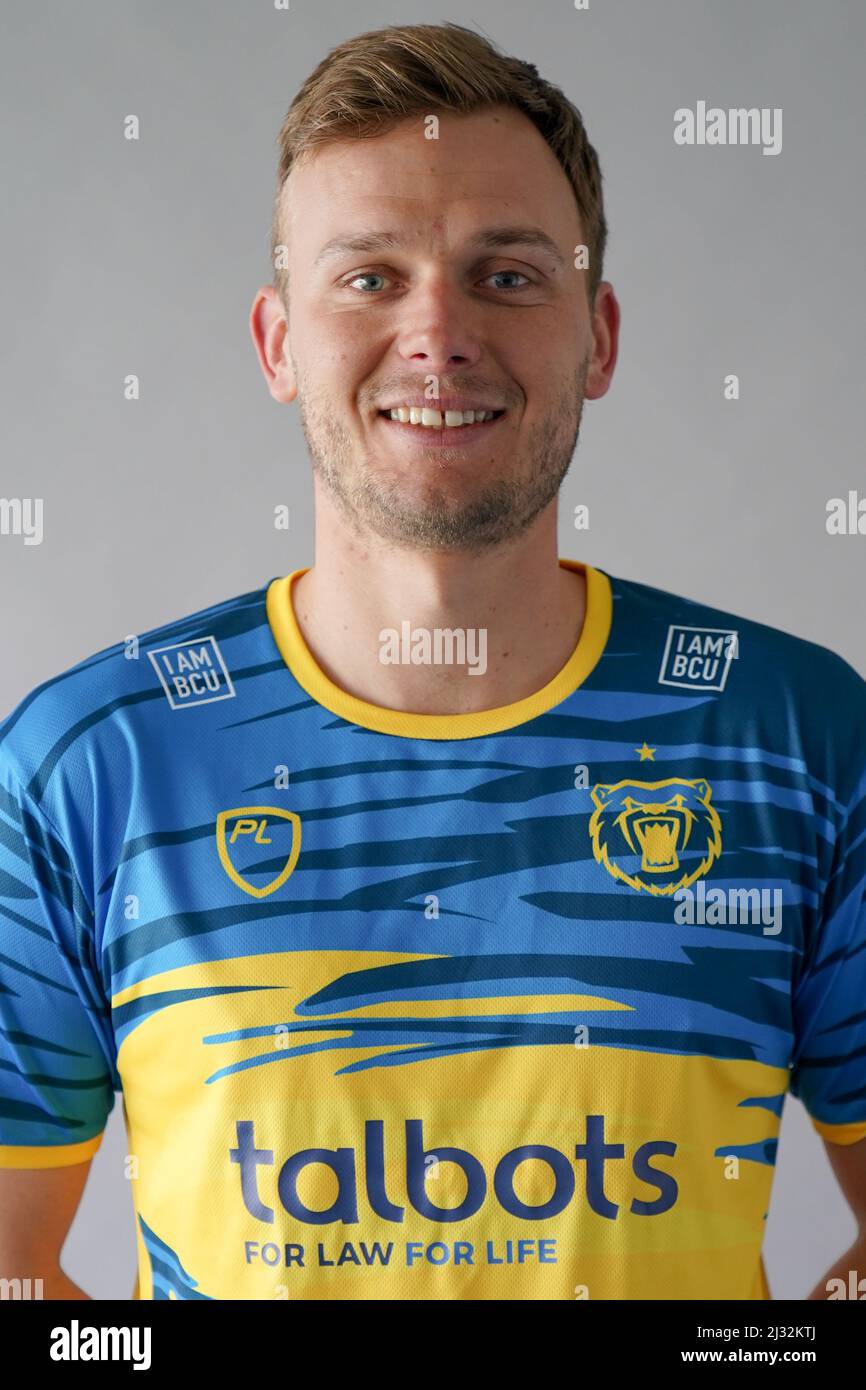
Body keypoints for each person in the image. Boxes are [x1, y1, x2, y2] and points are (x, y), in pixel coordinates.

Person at [1, 21, 864, 1302]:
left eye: (506, 274)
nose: (438, 332)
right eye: (368, 278)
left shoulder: (795, 740)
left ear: (598, 336)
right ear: (278, 344)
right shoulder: (92, 764)